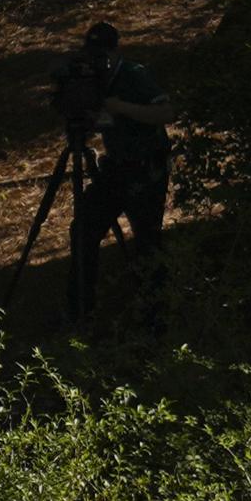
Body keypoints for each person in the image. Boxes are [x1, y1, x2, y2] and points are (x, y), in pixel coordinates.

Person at [71, 20, 180, 308]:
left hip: (146, 171)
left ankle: (155, 312)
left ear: (115, 52)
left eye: (102, 54)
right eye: (92, 54)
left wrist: (121, 108)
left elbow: (166, 113)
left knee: (147, 242)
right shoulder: (94, 79)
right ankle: (82, 307)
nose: (97, 61)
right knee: (83, 228)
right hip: (116, 168)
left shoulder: (134, 75)